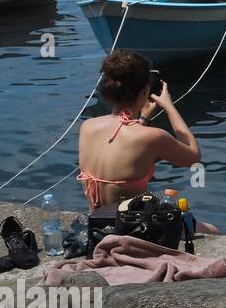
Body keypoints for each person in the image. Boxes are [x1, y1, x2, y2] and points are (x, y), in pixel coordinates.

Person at [77, 52, 203, 214]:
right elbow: (193, 158)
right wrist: (169, 107)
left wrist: (143, 119)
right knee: (209, 229)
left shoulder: (87, 127)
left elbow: (122, 146)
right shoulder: (153, 137)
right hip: (131, 226)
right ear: (144, 91)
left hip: (96, 223)